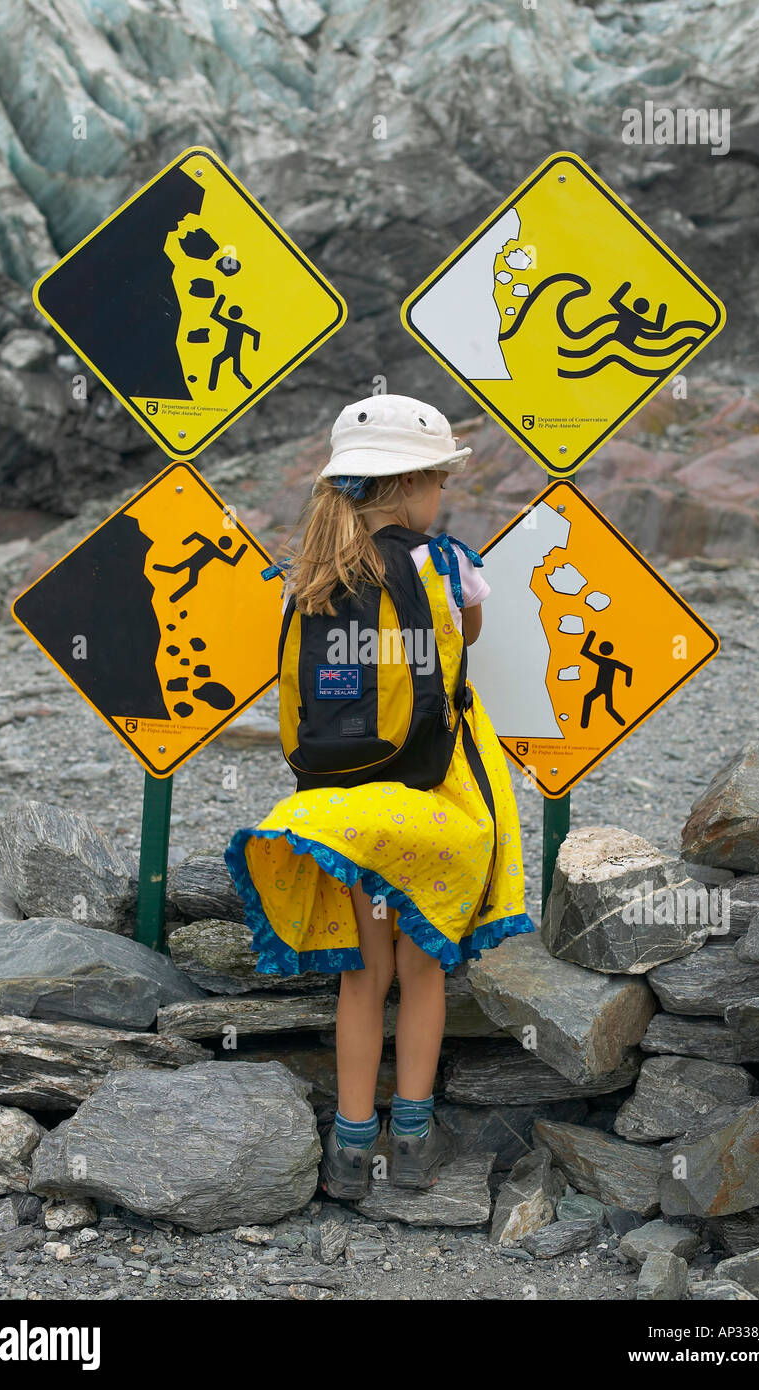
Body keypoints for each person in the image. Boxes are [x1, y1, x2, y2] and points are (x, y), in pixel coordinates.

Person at [223, 394, 535, 1200]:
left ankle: (351, 1149)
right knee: (422, 970)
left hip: (346, 809)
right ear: (416, 483)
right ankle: (416, 1135)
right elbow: (466, 640)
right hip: (427, 802)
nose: (445, 500)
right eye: (440, 482)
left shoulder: (309, 575)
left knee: (362, 975)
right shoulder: (445, 563)